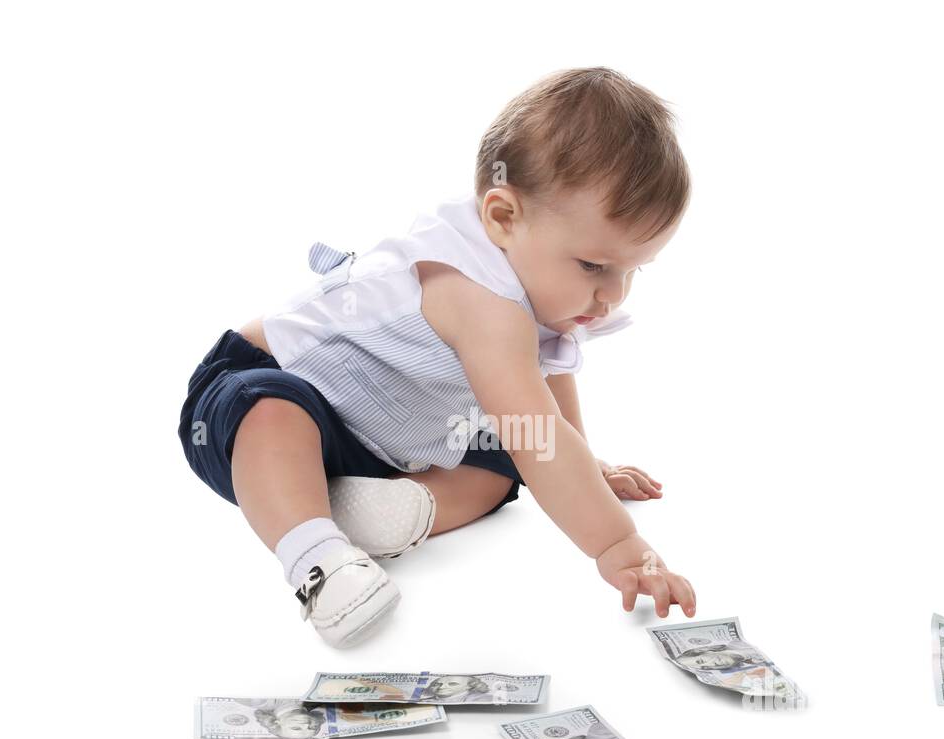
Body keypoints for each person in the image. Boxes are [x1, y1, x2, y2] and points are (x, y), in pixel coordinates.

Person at [179, 67, 696, 646]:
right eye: (595, 267)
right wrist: (619, 545)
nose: (612, 295)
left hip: (376, 442)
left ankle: (384, 509)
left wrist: (587, 466)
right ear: (502, 216)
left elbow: (545, 390)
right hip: (254, 395)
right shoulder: (478, 294)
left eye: (632, 270)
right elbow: (538, 434)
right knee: (276, 412)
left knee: (501, 468)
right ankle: (320, 560)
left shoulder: (529, 264)